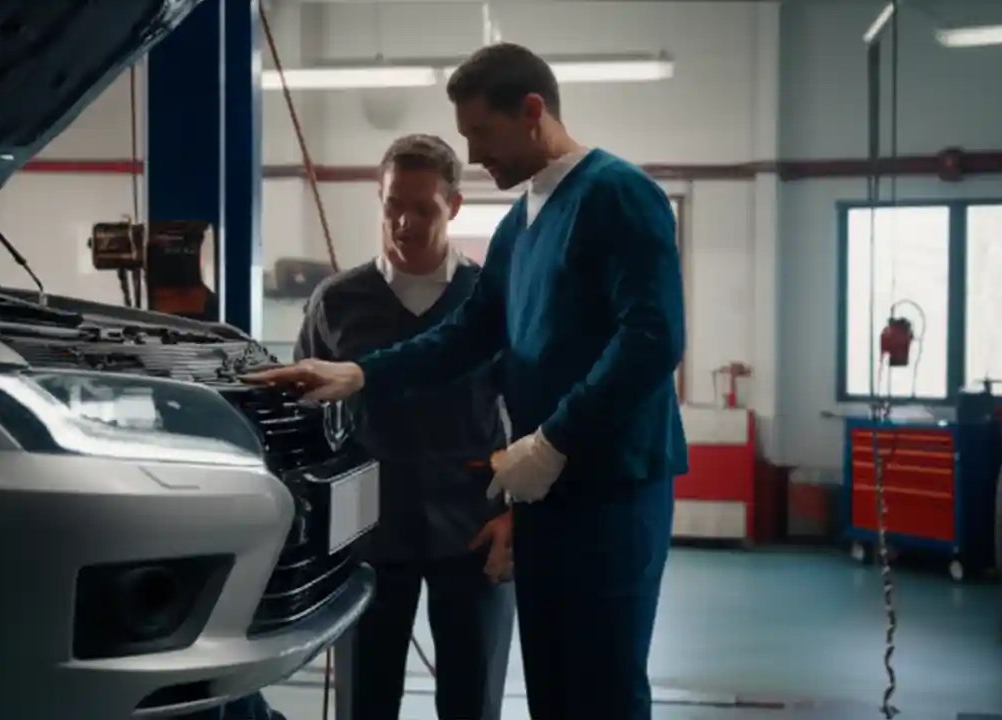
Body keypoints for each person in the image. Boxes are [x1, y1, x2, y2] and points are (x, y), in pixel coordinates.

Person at [243, 42, 686, 720]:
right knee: (555, 688)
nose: (475, 156)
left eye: (482, 132)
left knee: (602, 684)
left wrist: (554, 441)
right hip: (544, 493)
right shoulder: (518, 224)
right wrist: (359, 372)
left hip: (610, 487)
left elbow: (652, 338)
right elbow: (467, 336)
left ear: (532, 111)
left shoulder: (618, 194)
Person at [294, 133, 516, 720]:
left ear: (455, 207)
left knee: (472, 699)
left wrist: (517, 514)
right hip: (367, 534)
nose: (404, 222)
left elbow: (533, 413)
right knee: (365, 702)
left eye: (424, 208)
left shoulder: (492, 299)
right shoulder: (337, 302)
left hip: (475, 528)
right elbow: (307, 424)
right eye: (393, 205)